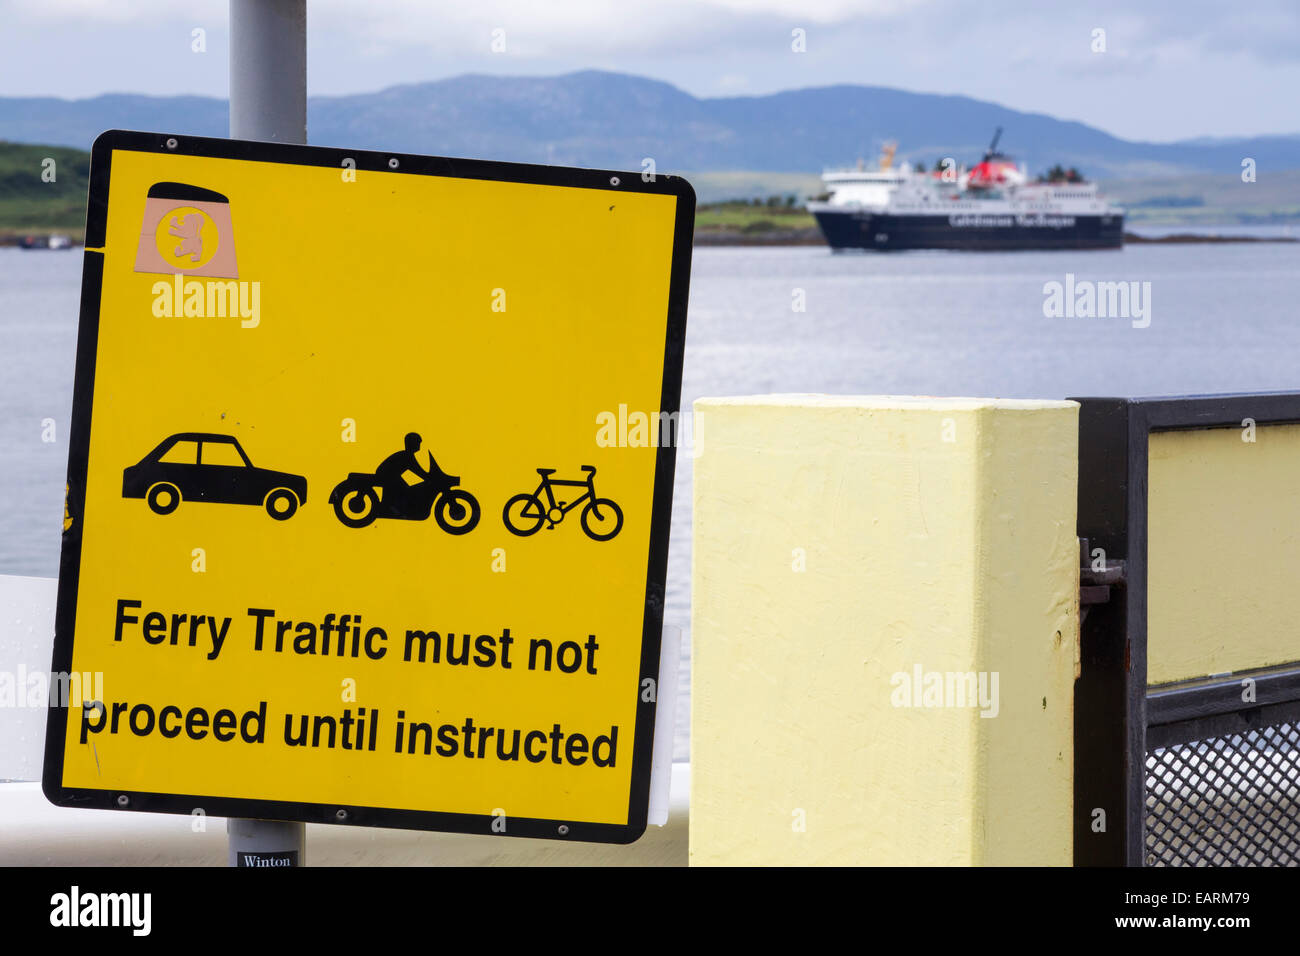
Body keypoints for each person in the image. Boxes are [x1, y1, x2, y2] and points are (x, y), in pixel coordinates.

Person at [375, 432, 438, 514]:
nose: (419, 445)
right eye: (418, 442)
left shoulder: (407, 455)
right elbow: (418, 471)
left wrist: (428, 477)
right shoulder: (407, 456)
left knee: (405, 488)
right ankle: (391, 509)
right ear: (412, 443)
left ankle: (392, 508)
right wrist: (430, 478)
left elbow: (418, 470)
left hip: (390, 475)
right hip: (387, 475)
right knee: (404, 490)